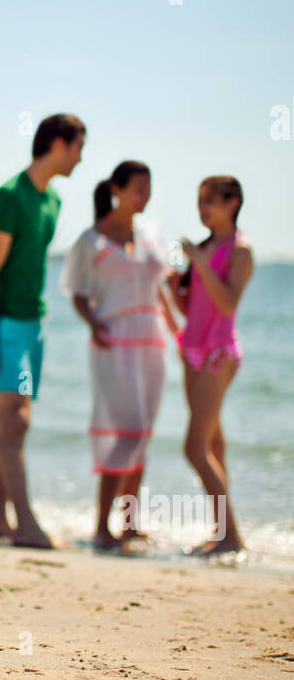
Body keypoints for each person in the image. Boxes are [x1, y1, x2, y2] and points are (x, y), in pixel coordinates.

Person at [0, 113, 86, 547]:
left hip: (33, 322)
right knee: (15, 419)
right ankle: (25, 524)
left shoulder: (52, 201)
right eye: (78, 147)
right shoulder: (7, 197)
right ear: (58, 144)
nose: (80, 158)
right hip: (4, 324)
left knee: (10, 422)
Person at [61, 161, 175, 552]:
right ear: (117, 189)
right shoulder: (91, 240)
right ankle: (100, 528)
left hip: (152, 342)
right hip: (113, 343)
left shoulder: (151, 232)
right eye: (139, 187)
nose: (146, 194)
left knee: (142, 433)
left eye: (149, 186)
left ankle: (128, 526)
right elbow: (76, 291)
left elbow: (159, 284)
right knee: (125, 430)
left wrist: (176, 328)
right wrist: (93, 324)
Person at [165, 176, 253, 557]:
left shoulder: (240, 249)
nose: (203, 208)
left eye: (211, 201)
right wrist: (174, 290)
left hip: (219, 353)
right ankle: (222, 534)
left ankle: (232, 535)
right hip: (193, 351)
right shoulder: (204, 247)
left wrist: (199, 263)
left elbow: (228, 304)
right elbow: (194, 310)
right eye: (200, 201)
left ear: (233, 203)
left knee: (194, 447)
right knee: (214, 445)